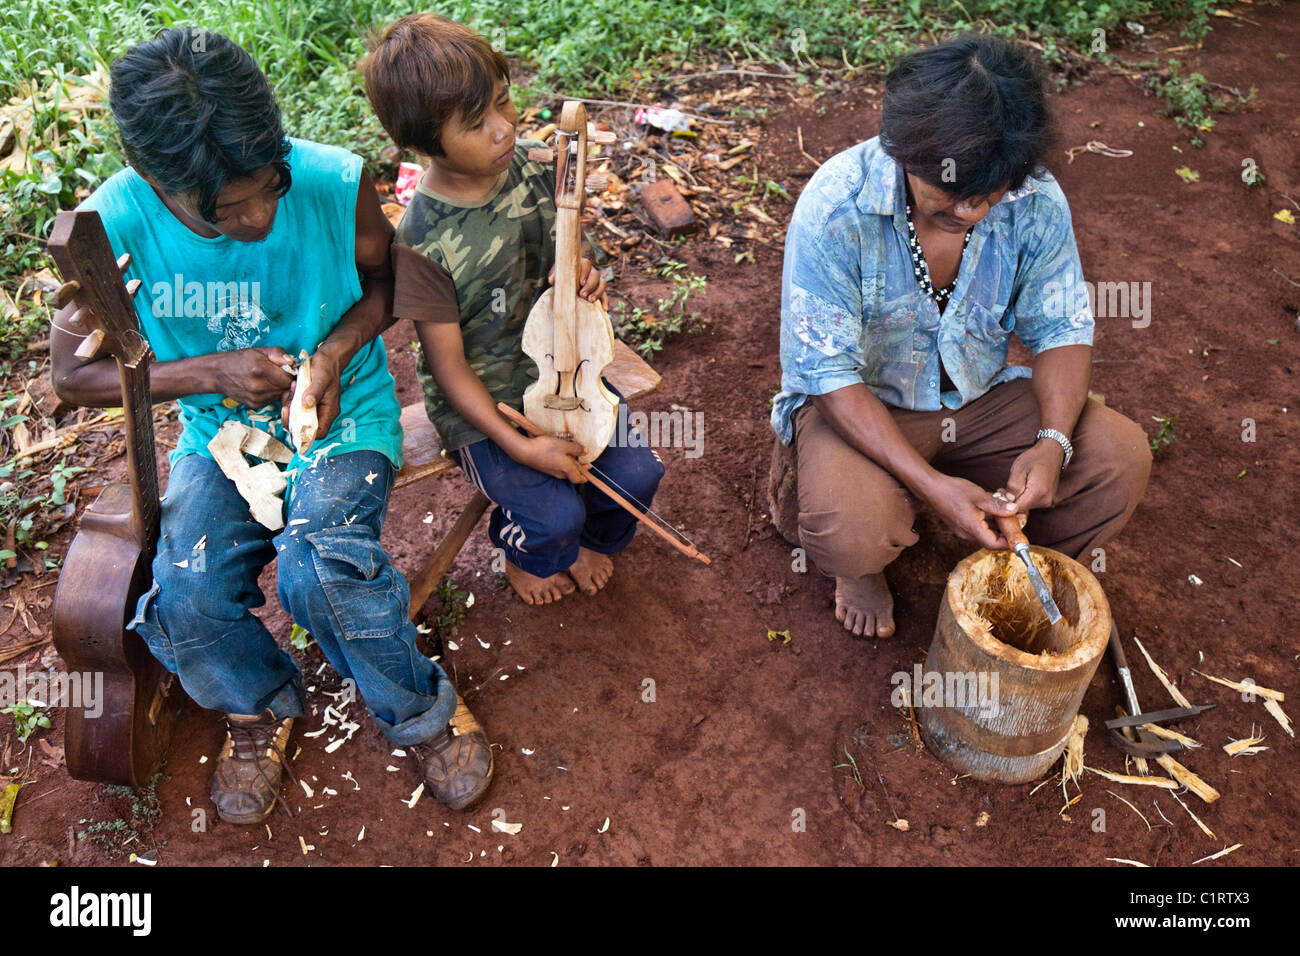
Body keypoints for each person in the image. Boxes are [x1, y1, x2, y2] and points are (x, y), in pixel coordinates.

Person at [50, 28, 492, 823]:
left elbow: (391, 283)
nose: (258, 215)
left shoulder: (328, 182)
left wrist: (327, 358)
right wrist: (211, 374)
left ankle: (419, 711)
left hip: (341, 410)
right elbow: (73, 376)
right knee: (184, 589)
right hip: (216, 434)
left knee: (321, 567)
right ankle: (259, 710)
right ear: (156, 180)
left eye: (269, 186)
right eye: (225, 210)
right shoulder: (108, 223)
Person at [773, 33, 1151, 639]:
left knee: (1116, 461)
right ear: (904, 152)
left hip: (981, 398)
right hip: (867, 407)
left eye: (986, 194)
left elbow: (1062, 328)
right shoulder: (836, 207)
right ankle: (863, 570)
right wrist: (933, 487)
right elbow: (827, 376)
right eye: (948, 193)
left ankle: (1018, 544)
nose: (970, 211)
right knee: (853, 528)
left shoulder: (1034, 198)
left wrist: (1051, 443)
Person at [362, 13, 665, 607]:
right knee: (550, 515)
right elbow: (448, 370)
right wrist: (523, 447)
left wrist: (585, 272)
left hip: (568, 373)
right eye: (478, 123)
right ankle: (528, 550)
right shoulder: (421, 241)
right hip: (485, 403)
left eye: (505, 103)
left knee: (636, 477)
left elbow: (581, 252)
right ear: (422, 143)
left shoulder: (536, 164)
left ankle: (592, 539)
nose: (504, 129)